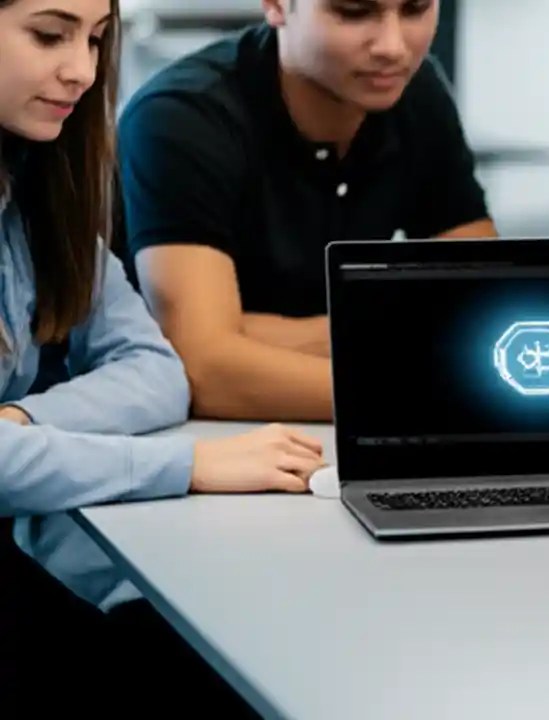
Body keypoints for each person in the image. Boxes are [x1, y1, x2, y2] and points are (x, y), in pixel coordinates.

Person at [0, 0, 326, 711]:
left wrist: (22, 418)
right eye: (49, 35)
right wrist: (188, 467)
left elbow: (156, 374)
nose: (81, 70)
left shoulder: (34, 190)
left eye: (95, 40)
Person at [118, 0, 497, 423]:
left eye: (415, 10)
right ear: (277, 5)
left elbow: (478, 303)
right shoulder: (181, 116)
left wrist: (250, 335)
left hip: (328, 423)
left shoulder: (414, 91)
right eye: (353, 12)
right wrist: (434, 388)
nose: (393, 47)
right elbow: (205, 369)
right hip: (177, 437)